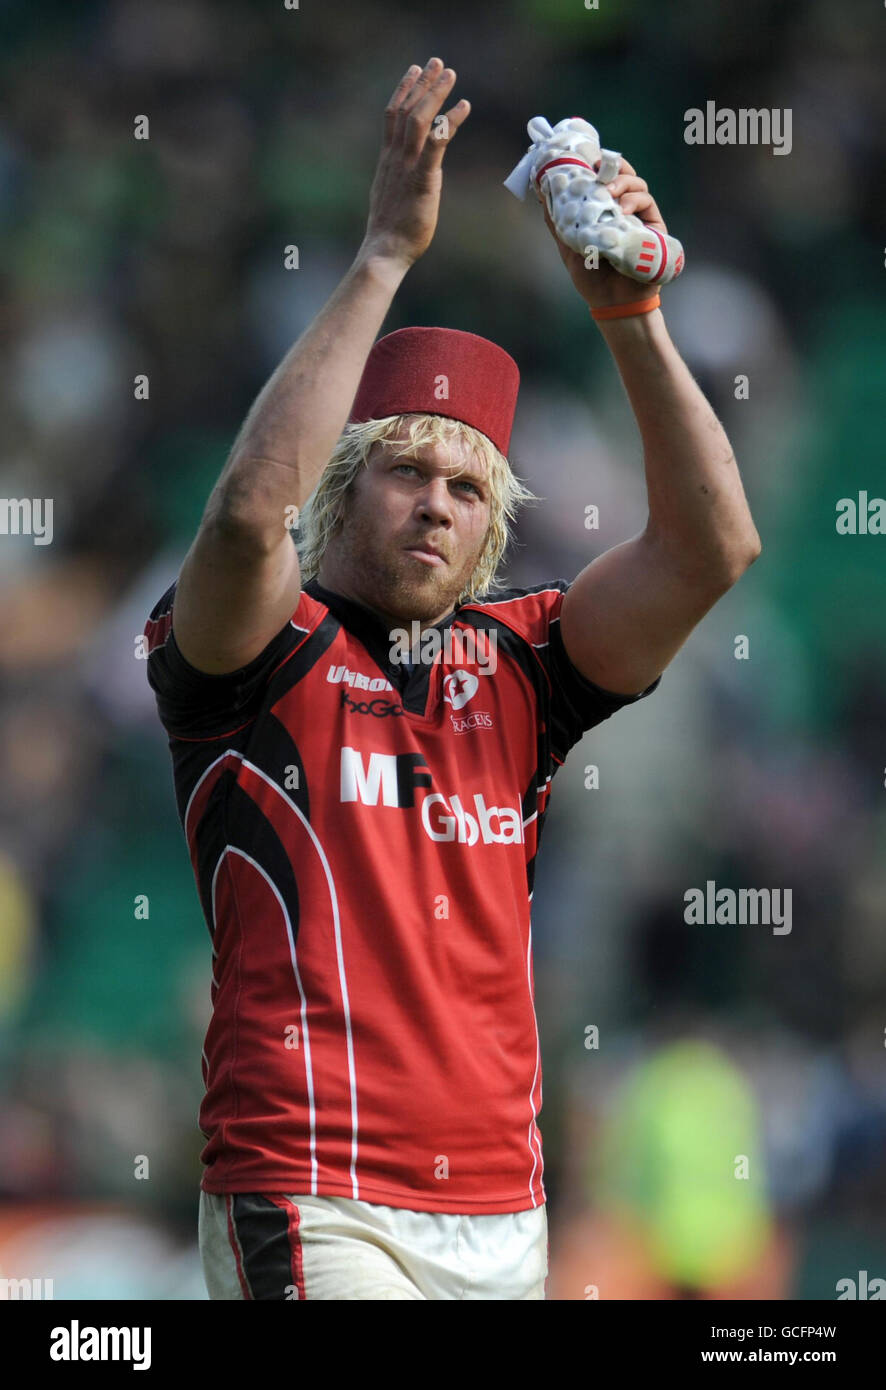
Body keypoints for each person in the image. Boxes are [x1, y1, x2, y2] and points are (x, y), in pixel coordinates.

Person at [143, 57, 760, 1300]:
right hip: (314, 1188)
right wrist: (381, 255)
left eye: (467, 486)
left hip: (502, 1209)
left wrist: (629, 317)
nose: (436, 505)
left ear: (494, 528)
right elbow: (246, 519)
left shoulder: (524, 664)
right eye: (405, 470)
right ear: (345, 485)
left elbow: (712, 551)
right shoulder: (257, 650)